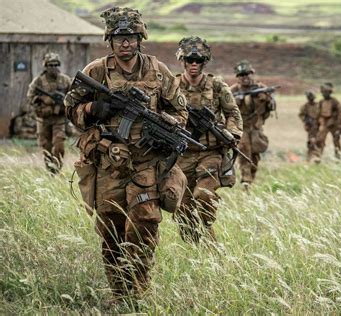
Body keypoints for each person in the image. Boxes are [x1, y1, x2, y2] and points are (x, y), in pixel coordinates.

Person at [64, 7, 188, 300]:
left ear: (140, 38)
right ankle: (119, 292)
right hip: (108, 163)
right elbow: (70, 108)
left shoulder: (159, 71)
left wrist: (166, 129)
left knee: (144, 225)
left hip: (147, 164)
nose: (125, 43)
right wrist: (95, 109)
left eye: (131, 37)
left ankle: (138, 290)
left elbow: (181, 112)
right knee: (111, 231)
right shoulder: (96, 71)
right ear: (110, 40)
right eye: (119, 37)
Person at [174, 36, 243, 244]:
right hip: (181, 154)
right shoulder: (172, 85)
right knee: (182, 207)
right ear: (183, 61)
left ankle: (210, 243)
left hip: (210, 153)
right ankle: (193, 251)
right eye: (189, 60)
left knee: (203, 195)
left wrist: (232, 133)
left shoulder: (217, 85)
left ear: (205, 62)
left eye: (199, 60)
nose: (194, 64)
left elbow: (233, 113)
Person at [230, 60, 276, 189]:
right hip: (241, 128)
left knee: (255, 156)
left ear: (252, 74)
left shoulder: (260, 88)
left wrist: (267, 99)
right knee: (244, 151)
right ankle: (246, 180)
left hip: (256, 127)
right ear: (237, 77)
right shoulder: (233, 90)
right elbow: (225, 108)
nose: (245, 77)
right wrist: (236, 101)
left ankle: (250, 178)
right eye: (241, 75)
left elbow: (271, 106)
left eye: (247, 74)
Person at [26, 52, 71, 173]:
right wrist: (42, 99)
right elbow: (30, 97)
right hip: (43, 118)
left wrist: (65, 102)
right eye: (50, 65)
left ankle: (56, 169)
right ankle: (50, 169)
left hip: (59, 119)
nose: (54, 67)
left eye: (56, 64)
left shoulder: (65, 80)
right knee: (45, 146)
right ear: (45, 66)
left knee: (59, 145)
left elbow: (74, 96)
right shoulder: (38, 81)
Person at [314, 83, 341, 162]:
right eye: (323, 92)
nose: (324, 94)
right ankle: (318, 157)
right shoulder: (321, 102)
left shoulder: (334, 101)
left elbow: (340, 113)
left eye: (326, 92)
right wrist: (317, 123)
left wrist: (339, 124)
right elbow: (318, 113)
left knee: (336, 140)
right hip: (324, 123)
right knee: (320, 140)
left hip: (334, 123)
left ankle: (338, 157)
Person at [298, 91, 320, 162]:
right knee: (311, 142)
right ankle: (309, 158)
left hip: (319, 125)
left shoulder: (318, 105)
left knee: (319, 142)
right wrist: (306, 120)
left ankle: (317, 156)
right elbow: (301, 115)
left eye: (311, 97)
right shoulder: (305, 106)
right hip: (310, 127)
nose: (311, 98)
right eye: (309, 97)